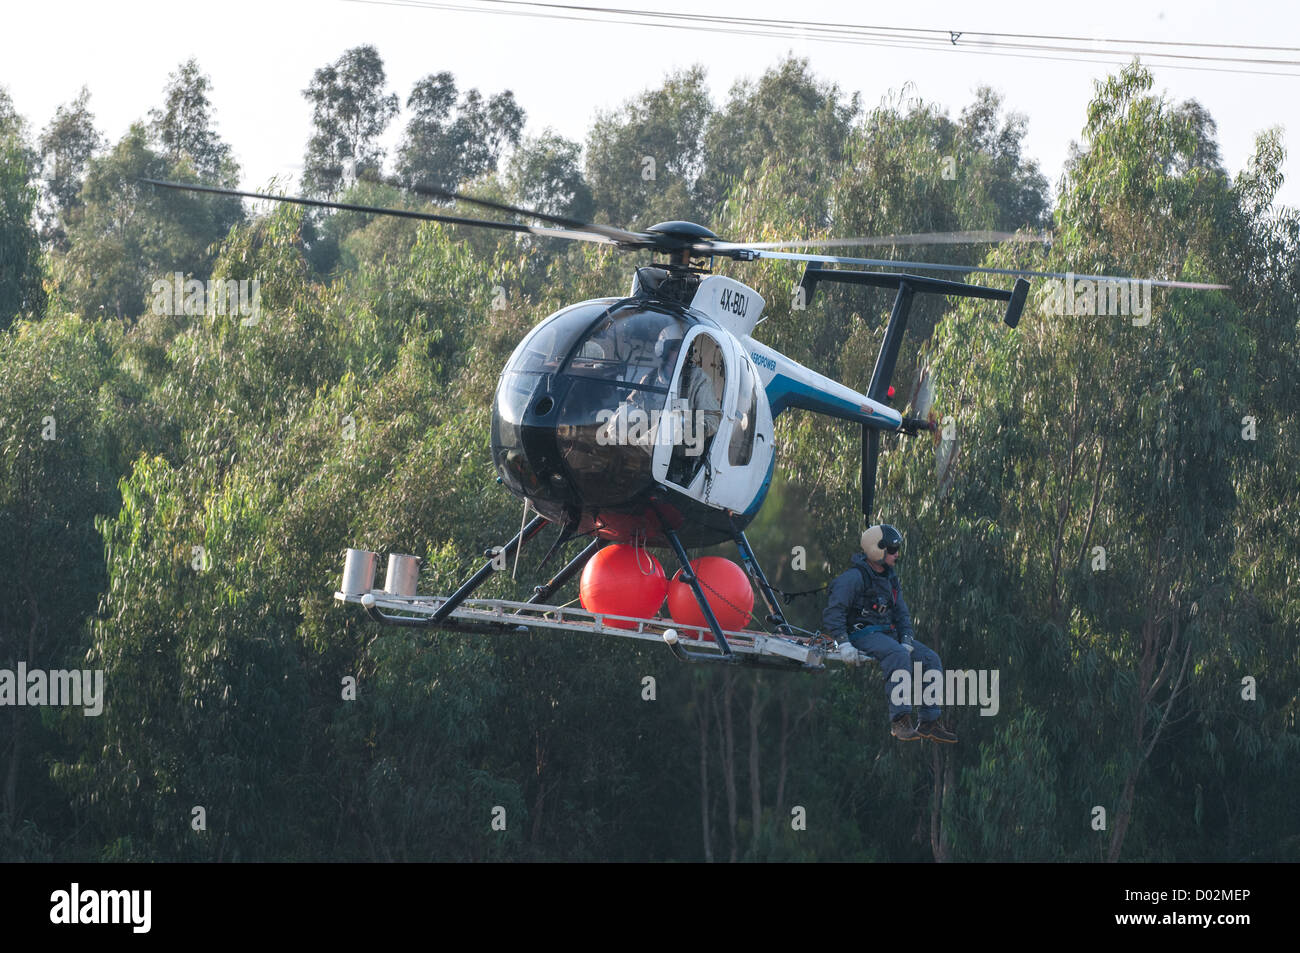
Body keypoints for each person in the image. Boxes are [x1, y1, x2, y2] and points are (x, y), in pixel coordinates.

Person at [821, 524, 957, 743]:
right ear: (877, 549)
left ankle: (929, 721)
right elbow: (833, 612)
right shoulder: (854, 578)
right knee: (897, 655)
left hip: (888, 634)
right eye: (892, 550)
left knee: (930, 658)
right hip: (862, 634)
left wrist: (907, 639)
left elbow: (902, 614)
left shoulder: (891, 579)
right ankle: (900, 721)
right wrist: (843, 642)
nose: (896, 554)